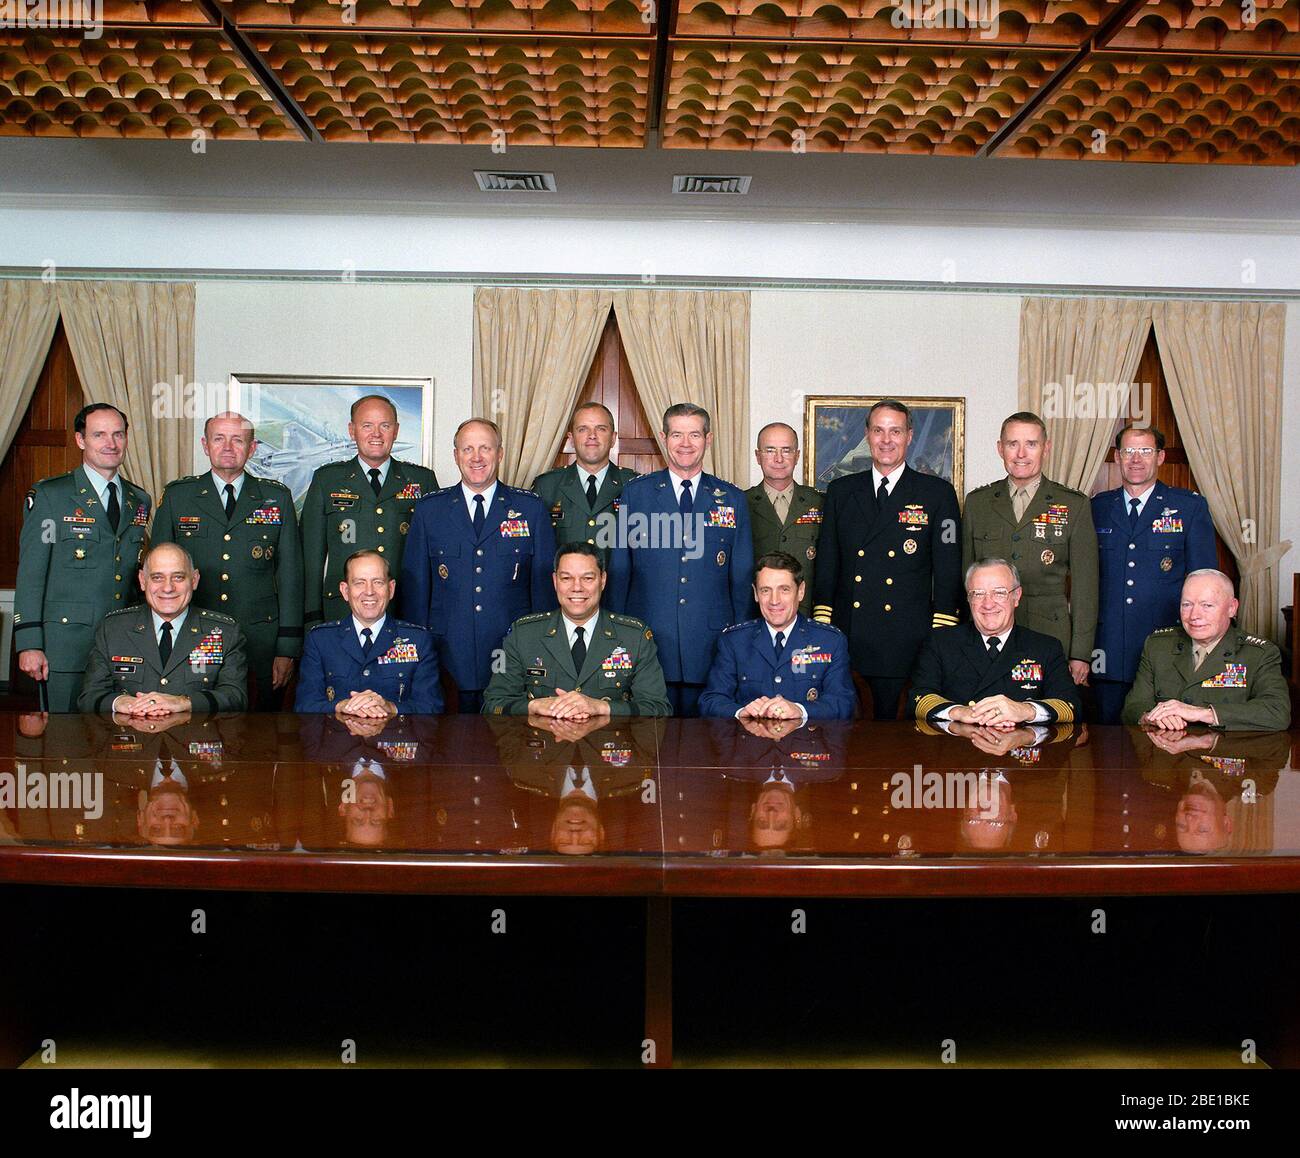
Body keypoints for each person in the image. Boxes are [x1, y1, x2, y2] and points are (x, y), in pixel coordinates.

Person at [811, 399, 962, 719]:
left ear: (909, 436)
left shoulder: (937, 493)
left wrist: (942, 629)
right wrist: (824, 617)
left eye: (895, 431)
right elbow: (827, 561)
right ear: (866, 435)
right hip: (850, 634)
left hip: (908, 637)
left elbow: (947, 569)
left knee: (900, 739)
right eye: (878, 430)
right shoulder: (841, 490)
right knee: (850, 734)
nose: (886, 440)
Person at [607, 403, 752, 716]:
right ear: (663, 437)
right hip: (648, 639)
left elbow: (740, 576)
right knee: (651, 744)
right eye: (677, 434)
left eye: (694, 435)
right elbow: (620, 569)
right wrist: (616, 633)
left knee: (707, 746)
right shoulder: (637, 494)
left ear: (708, 439)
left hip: (711, 641)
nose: (685, 443)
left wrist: (740, 640)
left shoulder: (731, 498)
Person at [401, 418, 556, 713]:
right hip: (446, 653)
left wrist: (541, 651)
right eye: (468, 449)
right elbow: (416, 590)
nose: (476, 457)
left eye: (485, 448)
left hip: (512, 653)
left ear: (500, 454)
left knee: (507, 747)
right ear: (456, 455)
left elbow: (543, 591)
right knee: (450, 747)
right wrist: (416, 655)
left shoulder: (530, 509)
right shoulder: (429, 510)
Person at [152, 411, 303, 707]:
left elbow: (291, 577)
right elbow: (157, 576)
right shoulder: (178, 497)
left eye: (238, 439)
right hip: (191, 636)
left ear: (252, 447)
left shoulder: (276, 498)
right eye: (219, 439)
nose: (228, 447)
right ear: (205, 445)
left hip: (259, 639)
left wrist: (286, 647)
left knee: (260, 731)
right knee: (195, 726)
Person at [13, 403, 152, 712]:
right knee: (65, 746)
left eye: (118, 434)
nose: (110, 443)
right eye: (99, 434)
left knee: (119, 744)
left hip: (123, 644)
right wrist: (29, 643)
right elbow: (31, 575)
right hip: (65, 646)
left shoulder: (139, 499)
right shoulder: (51, 496)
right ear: (80, 440)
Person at [1091, 424, 1217, 722]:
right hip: (1108, 650)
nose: (1136, 459)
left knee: (1166, 747)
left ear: (1160, 457)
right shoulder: (1097, 507)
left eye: (1145, 451)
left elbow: (1205, 582)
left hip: (1168, 651)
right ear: (1117, 457)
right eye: (1128, 451)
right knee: (1107, 749)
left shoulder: (1188, 508)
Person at [962, 411, 1097, 688]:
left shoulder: (1073, 505)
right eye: (1012, 444)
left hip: (1050, 633)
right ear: (1000, 448)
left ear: (1046, 448)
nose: (1021, 453)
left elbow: (1086, 587)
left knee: (1049, 717)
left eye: (1031, 444)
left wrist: (1080, 653)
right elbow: (966, 578)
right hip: (988, 633)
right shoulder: (978, 503)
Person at [483, 542, 671, 718]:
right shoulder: (522, 635)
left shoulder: (635, 637)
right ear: (555, 581)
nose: (577, 588)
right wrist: (534, 706)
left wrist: (601, 707)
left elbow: (659, 708)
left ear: (603, 580)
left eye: (587, 578)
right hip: (545, 748)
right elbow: (493, 704)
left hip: (608, 747)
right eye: (566, 578)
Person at [299, 394, 439, 625]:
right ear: (352, 430)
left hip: (403, 610)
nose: (376, 434)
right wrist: (311, 619)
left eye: (385, 426)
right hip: (340, 612)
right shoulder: (327, 480)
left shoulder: (421, 481)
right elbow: (310, 560)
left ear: (395, 431)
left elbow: (435, 556)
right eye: (367, 426)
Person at [78, 542, 249, 714]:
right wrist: (119, 702)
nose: (168, 588)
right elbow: (89, 696)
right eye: (157, 577)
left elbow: (236, 697)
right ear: (142, 581)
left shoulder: (224, 632)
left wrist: (185, 702)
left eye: (178, 577)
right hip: (134, 736)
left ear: (194, 580)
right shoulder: (113, 629)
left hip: (193, 736)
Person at [910, 559, 1081, 727]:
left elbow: (1070, 705)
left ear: (1016, 596)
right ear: (968, 598)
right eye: (978, 593)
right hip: (960, 747)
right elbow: (919, 698)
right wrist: (959, 712)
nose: (988, 604)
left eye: (999, 593)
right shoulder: (941, 643)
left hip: (1018, 748)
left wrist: (1025, 710)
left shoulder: (1045, 647)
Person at [1122, 569, 1291, 731]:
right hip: (1168, 755)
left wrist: (1204, 714)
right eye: (1187, 604)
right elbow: (1133, 707)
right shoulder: (1158, 647)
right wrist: (1151, 716)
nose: (1194, 615)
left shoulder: (1259, 654)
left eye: (1207, 605)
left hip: (1224, 755)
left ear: (1232, 608)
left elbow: (1277, 711)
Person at [700, 551, 855, 721]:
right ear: (755, 594)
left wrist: (800, 710)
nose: (775, 601)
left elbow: (843, 702)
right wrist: (741, 712)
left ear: (801, 591)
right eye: (765, 590)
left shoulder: (830, 641)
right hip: (750, 743)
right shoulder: (733, 641)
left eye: (784, 590)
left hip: (806, 743)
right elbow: (710, 700)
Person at [295, 549, 443, 716]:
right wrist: (342, 706)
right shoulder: (320, 640)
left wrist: (391, 707)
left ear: (391, 589)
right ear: (345, 591)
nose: (369, 591)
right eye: (359, 582)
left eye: (378, 582)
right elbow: (305, 704)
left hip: (395, 739)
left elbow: (431, 706)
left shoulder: (418, 641)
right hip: (339, 739)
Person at [530, 402, 638, 560]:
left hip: (618, 584)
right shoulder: (546, 486)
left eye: (601, 429)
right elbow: (535, 551)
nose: (592, 435)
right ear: (571, 439)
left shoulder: (634, 485)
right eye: (583, 429)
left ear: (613, 438)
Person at [745, 422, 824, 616]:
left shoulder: (822, 503)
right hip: (756, 616)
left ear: (797, 456)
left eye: (786, 450)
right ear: (758, 456)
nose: (779, 458)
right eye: (770, 450)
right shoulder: (741, 503)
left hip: (806, 615)